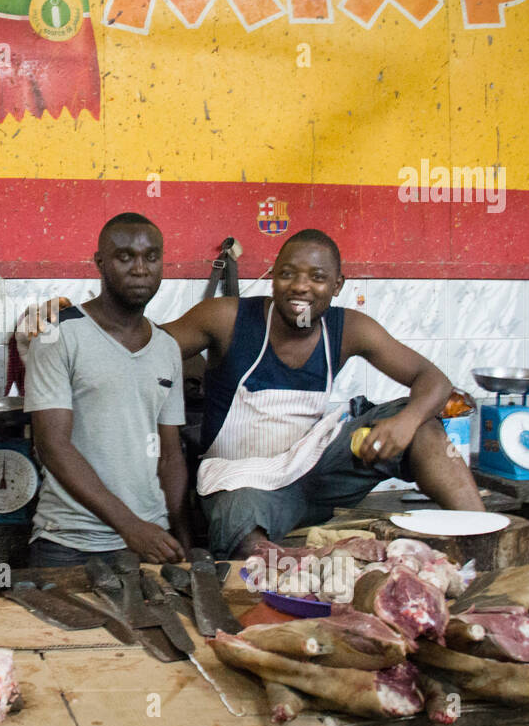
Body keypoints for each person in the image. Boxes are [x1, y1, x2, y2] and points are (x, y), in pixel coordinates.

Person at [163, 229, 485, 558]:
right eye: (288, 274)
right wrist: (188, 375)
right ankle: (303, 568)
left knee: (423, 425)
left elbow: (434, 379)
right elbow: (146, 354)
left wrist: (406, 422)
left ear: (337, 285)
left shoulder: (348, 329)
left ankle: (483, 540)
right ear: (272, 276)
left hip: (316, 471)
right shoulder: (226, 318)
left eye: (317, 277)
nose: (301, 286)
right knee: (240, 523)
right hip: (244, 483)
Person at [25, 213, 188, 566]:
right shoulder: (60, 335)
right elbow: (52, 446)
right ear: (100, 263)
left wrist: (179, 536)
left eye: (151, 257)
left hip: (149, 543)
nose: (140, 268)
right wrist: (130, 526)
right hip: (69, 543)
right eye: (125, 256)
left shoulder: (166, 348)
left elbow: (171, 456)